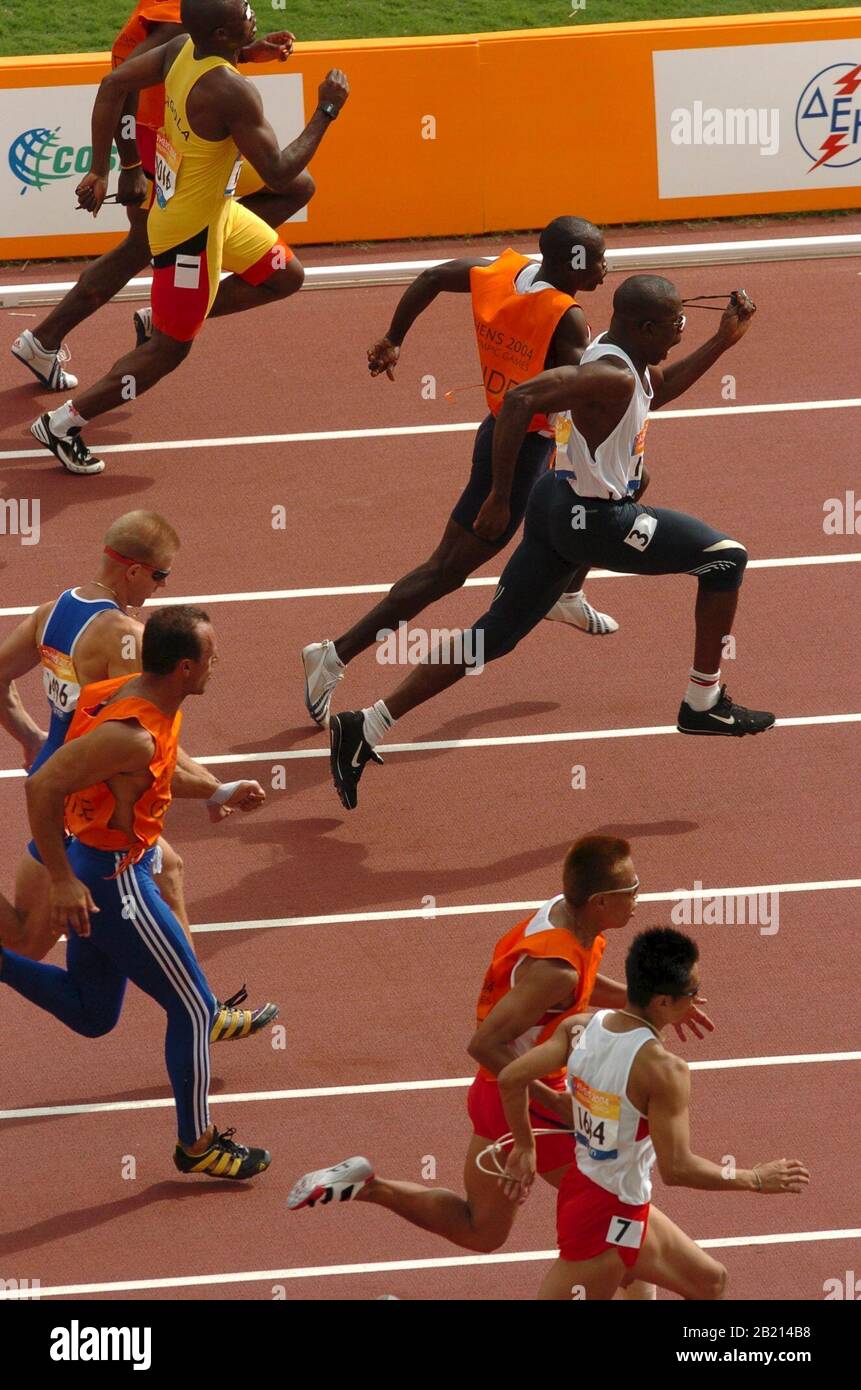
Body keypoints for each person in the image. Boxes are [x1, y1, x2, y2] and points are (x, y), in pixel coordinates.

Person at [329, 277, 774, 810]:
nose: (683, 331)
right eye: (677, 324)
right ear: (646, 325)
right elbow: (519, 400)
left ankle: (366, 724)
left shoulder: (616, 351)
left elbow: (658, 384)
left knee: (490, 637)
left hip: (553, 502)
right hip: (597, 521)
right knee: (726, 559)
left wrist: (722, 340)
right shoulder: (607, 373)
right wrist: (496, 496)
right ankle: (703, 702)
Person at [287, 837, 711, 1295]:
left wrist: (655, 1003)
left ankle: (368, 1185)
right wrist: (556, 1105)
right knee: (618, 1214)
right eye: (633, 888)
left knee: (481, 1230)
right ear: (600, 901)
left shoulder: (566, 917)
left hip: (495, 1095)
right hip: (525, 1102)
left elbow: (583, 989)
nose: (638, 897)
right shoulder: (555, 971)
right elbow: (485, 1043)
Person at [302, 216, 625, 728]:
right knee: (445, 573)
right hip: (515, 452)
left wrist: (393, 337)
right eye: (599, 259)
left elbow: (432, 277)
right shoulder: (568, 318)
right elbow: (579, 395)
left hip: (519, 438)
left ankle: (566, 594)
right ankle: (335, 653)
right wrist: (500, 494)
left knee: (603, 499)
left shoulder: (505, 272)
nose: (607, 267)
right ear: (573, 264)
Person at [0, 606, 273, 1178]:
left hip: (104, 862)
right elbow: (43, 786)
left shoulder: (140, 697)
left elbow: (161, 767)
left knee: (93, 1011)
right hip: (115, 879)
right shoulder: (131, 735)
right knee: (196, 1009)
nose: (216, 664)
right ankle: (196, 1146)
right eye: (210, 657)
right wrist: (61, 879)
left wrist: (217, 789)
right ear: (182, 668)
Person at [30, 0, 349, 474]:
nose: (253, 14)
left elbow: (112, 83)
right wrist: (326, 109)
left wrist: (101, 166)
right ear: (221, 33)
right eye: (245, 13)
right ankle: (62, 424)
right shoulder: (231, 92)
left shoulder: (183, 48)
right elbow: (280, 172)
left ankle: (158, 318)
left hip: (214, 213)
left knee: (286, 276)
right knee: (170, 350)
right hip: (189, 237)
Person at [0, 509, 275, 1041]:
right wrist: (216, 788)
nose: (164, 585)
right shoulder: (126, 638)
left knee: (25, 942)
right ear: (131, 570)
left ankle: (202, 1008)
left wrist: (32, 736)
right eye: (161, 575)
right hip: (86, 805)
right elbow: (147, 737)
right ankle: (203, 1010)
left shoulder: (51, 613)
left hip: (62, 787)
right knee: (165, 867)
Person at [495, 926, 809, 1300]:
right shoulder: (663, 1070)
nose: (696, 1001)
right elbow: (677, 1169)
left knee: (710, 1281)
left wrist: (525, 1145)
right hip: (604, 1220)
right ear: (662, 1001)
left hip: (602, 1195)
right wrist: (754, 1178)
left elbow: (511, 1078)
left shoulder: (579, 1028)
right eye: (691, 993)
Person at [11, 3, 305, 393]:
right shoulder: (173, 16)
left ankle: (187, 275)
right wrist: (125, 163)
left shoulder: (194, 12)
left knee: (297, 186)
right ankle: (47, 338)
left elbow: (196, 52)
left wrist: (248, 53)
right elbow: (120, 81)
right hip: (161, 139)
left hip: (177, 135)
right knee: (142, 246)